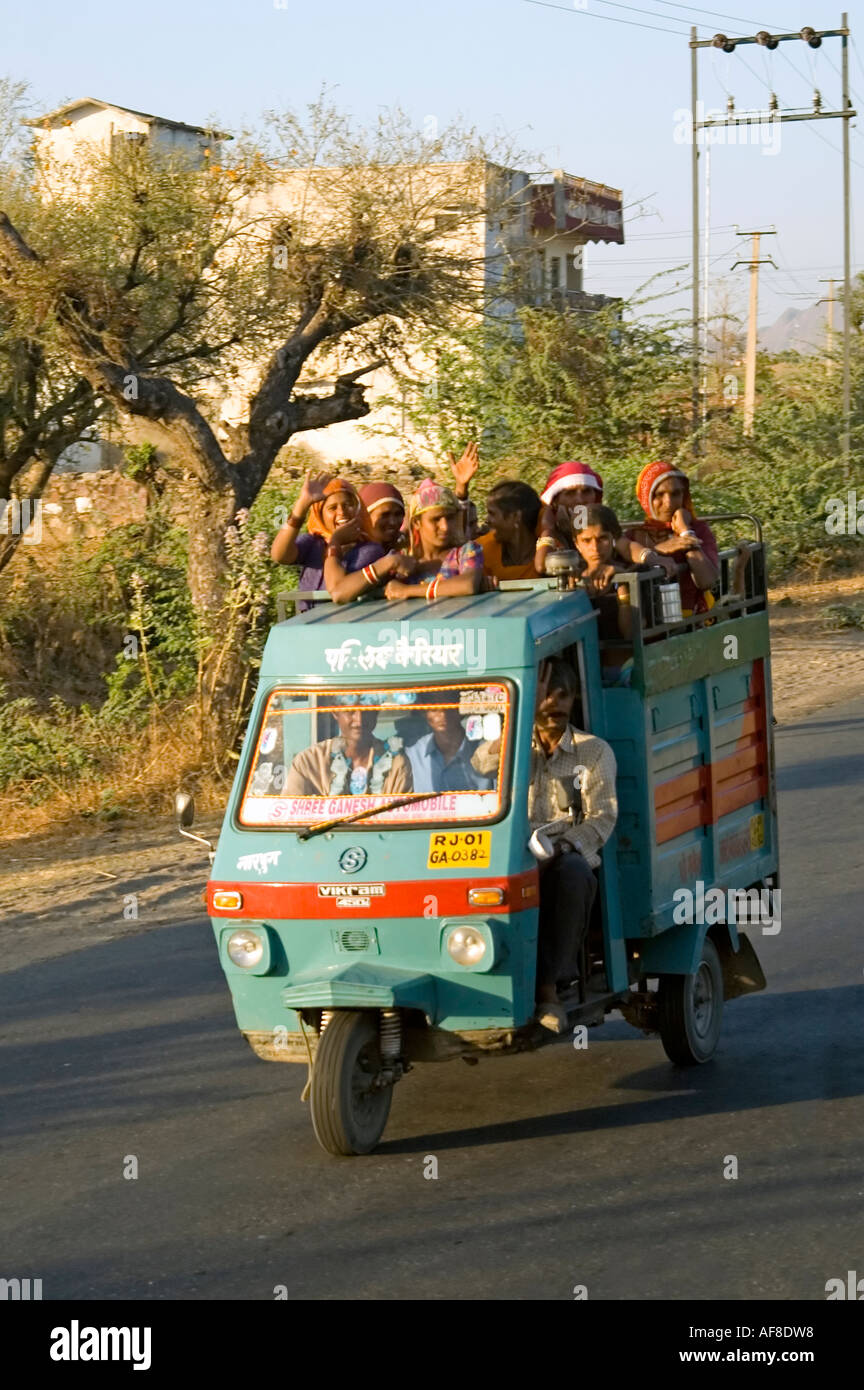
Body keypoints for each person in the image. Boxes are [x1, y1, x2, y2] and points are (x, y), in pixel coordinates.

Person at [472, 658, 617, 1033]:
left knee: (573, 874)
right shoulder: (517, 744)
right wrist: (523, 714)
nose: (554, 705)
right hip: (511, 852)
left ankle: (548, 992)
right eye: (546, 697)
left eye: (563, 696)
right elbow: (481, 764)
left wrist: (560, 850)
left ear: (575, 700)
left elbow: (601, 820)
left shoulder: (594, 751)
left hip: (562, 854)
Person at [270, 472, 385, 610]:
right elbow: (280, 556)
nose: (341, 512)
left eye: (348, 505)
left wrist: (335, 541)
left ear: (358, 509)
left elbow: (337, 588)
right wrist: (302, 505)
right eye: (332, 508)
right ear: (320, 515)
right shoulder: (313, 543)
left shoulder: (369, 550)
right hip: (308, 626)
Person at [626, 460, 719, 616]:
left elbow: (707, 580)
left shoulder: (698, 529)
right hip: (644, 625)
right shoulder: (632, 535)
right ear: (646, 498)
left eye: (676, 494)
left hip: (692, 620)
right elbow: (625, 574)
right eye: (659, 495)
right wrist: (659, 551)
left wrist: (685, 532)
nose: (668, 503)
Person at [283, 693, 413, 797]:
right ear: (335, 712)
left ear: (376, 711)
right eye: (350, 711)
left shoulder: (396, 764)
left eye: (367, 710)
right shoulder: (308, 762)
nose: (359, 720)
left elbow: (400, 819)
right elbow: (289, 818)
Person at [383, 479, 485, 601]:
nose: (445, 526)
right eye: (436, 519)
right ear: (416, 523)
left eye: (450, 518)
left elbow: (467, 585)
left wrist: (407, 590)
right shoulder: (400, 559)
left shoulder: (466, 552)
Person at [406, 701, 495, 794]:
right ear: (425, 713)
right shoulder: (412, 754)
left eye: (450, 708)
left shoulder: (487, 751)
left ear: (460, 711)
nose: (443, 715)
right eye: (434, 709)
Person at [479, 480, 545, 580]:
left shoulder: (547, 548)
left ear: (515, 516)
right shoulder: (483, 551)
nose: (487, 520)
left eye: (492, 513)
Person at [360, 482, 407, 551]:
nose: (392, 522)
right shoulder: (358, 555)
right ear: (365, 517)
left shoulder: (405, 550)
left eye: (398, 514)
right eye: (385, 515)